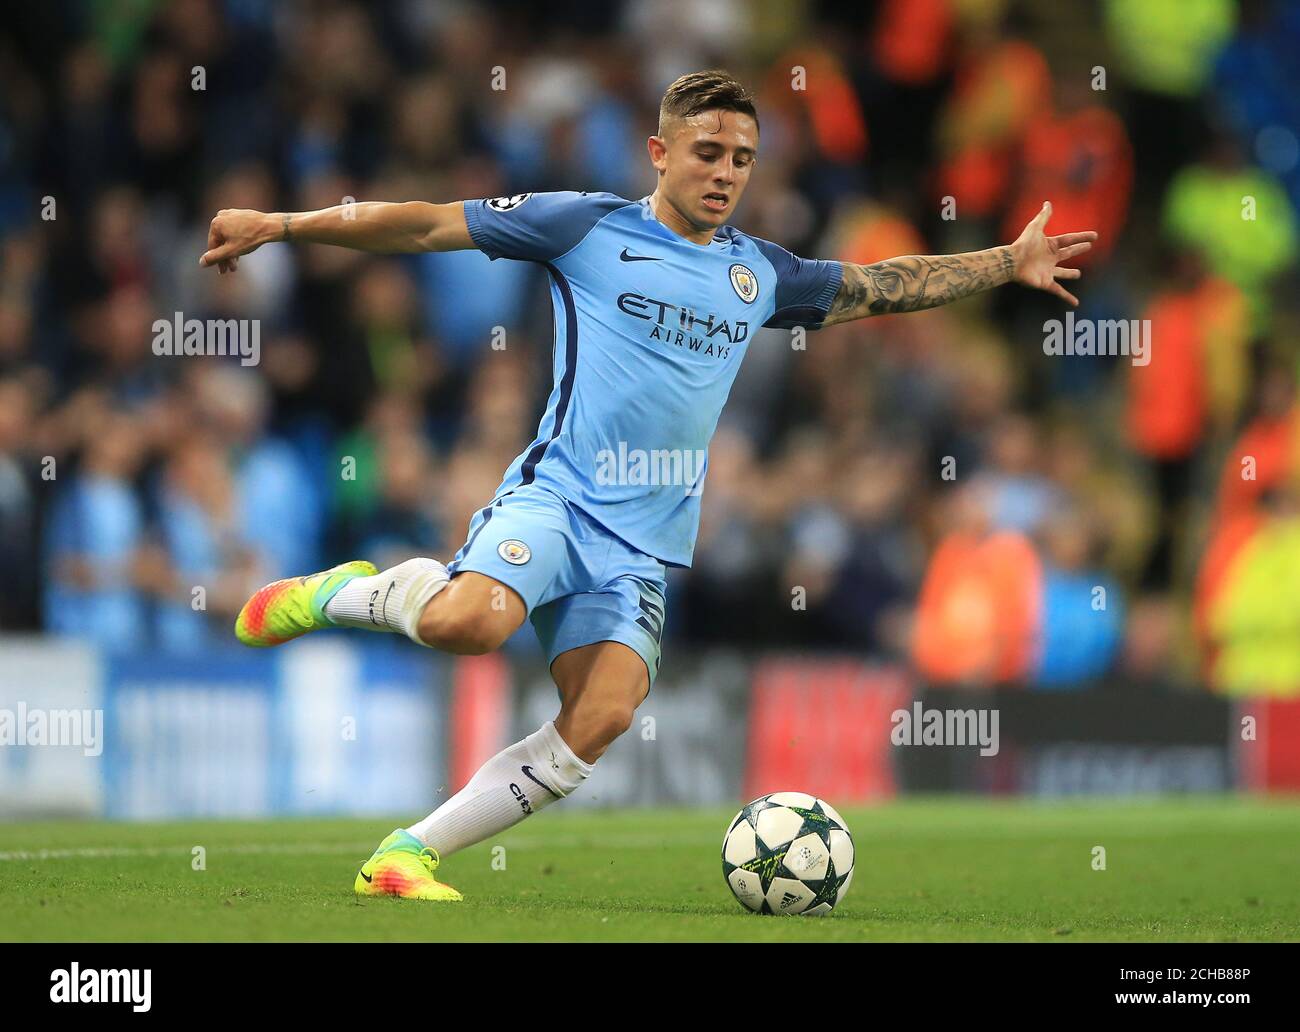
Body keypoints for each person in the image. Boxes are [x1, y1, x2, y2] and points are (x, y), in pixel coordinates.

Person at [200, 70, 1097, 901]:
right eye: (708, 152)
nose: (726, 173)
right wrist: (282, 225)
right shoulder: (583, 226)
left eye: (743, 158)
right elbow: (427, 222)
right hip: (558, 499)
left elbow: (885, 286)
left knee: (603, 716)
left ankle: (407, 853)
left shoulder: (762, 274)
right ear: (659, 152)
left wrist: (1003, 262)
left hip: (643, 543)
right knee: (467, 624)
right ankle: (341, 593)